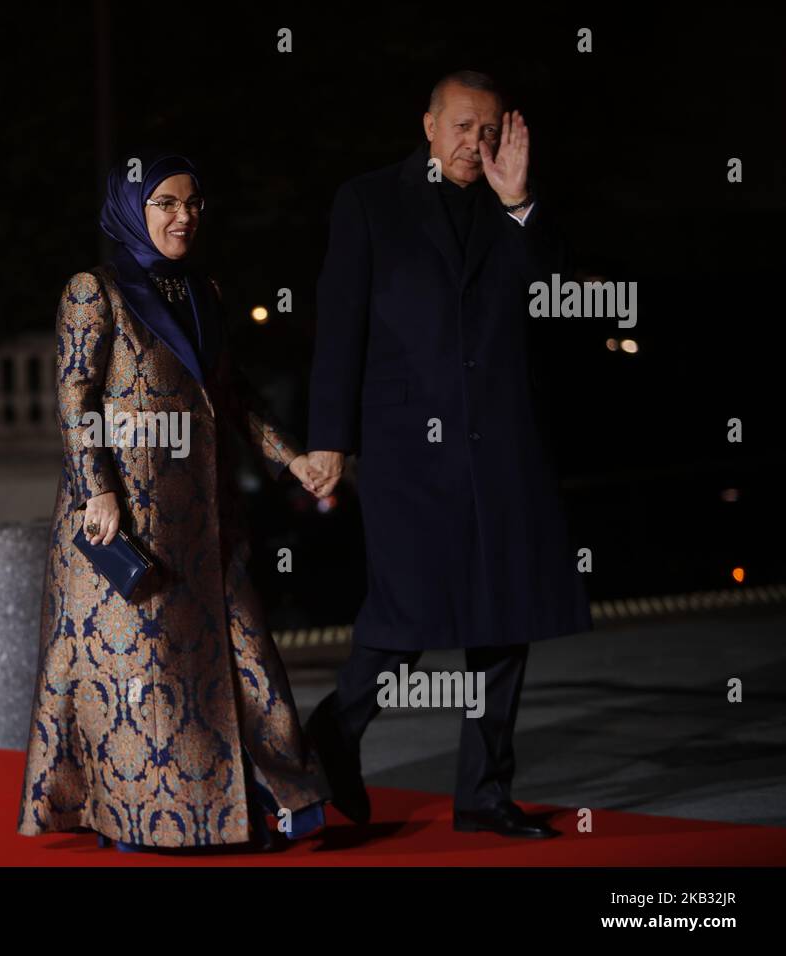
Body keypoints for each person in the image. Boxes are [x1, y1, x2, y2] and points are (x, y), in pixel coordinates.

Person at [304, 71, 592, 839]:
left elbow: (562, 298)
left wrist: (519, 203)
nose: (478, 142)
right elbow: (340, 326)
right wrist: (329, 438)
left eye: (491, 129)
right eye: (464, 126)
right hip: (406, 450)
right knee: (403, 617)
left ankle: (485, 795)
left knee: (504, 615)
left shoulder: (514, 204)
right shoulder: (367, 201)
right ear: (429, 124)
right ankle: (331, 740)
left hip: (505, 447)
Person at [17, 153, 330, 851]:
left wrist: (292, 459)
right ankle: (140, 822)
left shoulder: (206, 292)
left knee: (247, 658)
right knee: (144, 679)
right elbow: (74, 397)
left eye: (192, 202)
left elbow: (236, 398)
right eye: (165, 202)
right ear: (133, 209)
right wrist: (93, 488)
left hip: (209, 522)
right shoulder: (92, 291)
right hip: (127, 520)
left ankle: (283, 801)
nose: (183, 215)